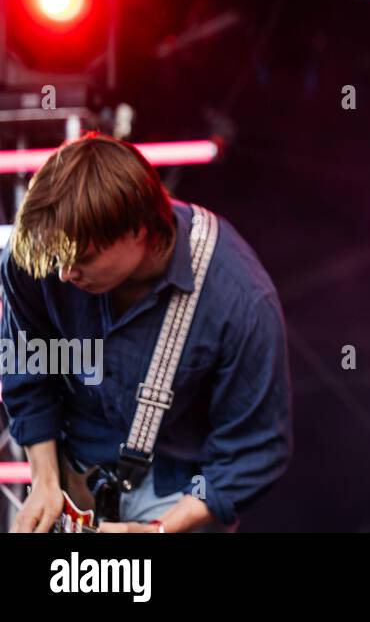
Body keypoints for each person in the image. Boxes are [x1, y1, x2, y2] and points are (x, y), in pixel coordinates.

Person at [1, 133, 292, 532]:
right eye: (58, 259)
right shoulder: (34, 263)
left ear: (139, 231)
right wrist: (46, 481)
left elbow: (252, 451)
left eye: (83, 258)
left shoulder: (240, 300)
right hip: (73, 469)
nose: (66, 274)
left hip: (180, 489)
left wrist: (158, 530)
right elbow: (28, 370)